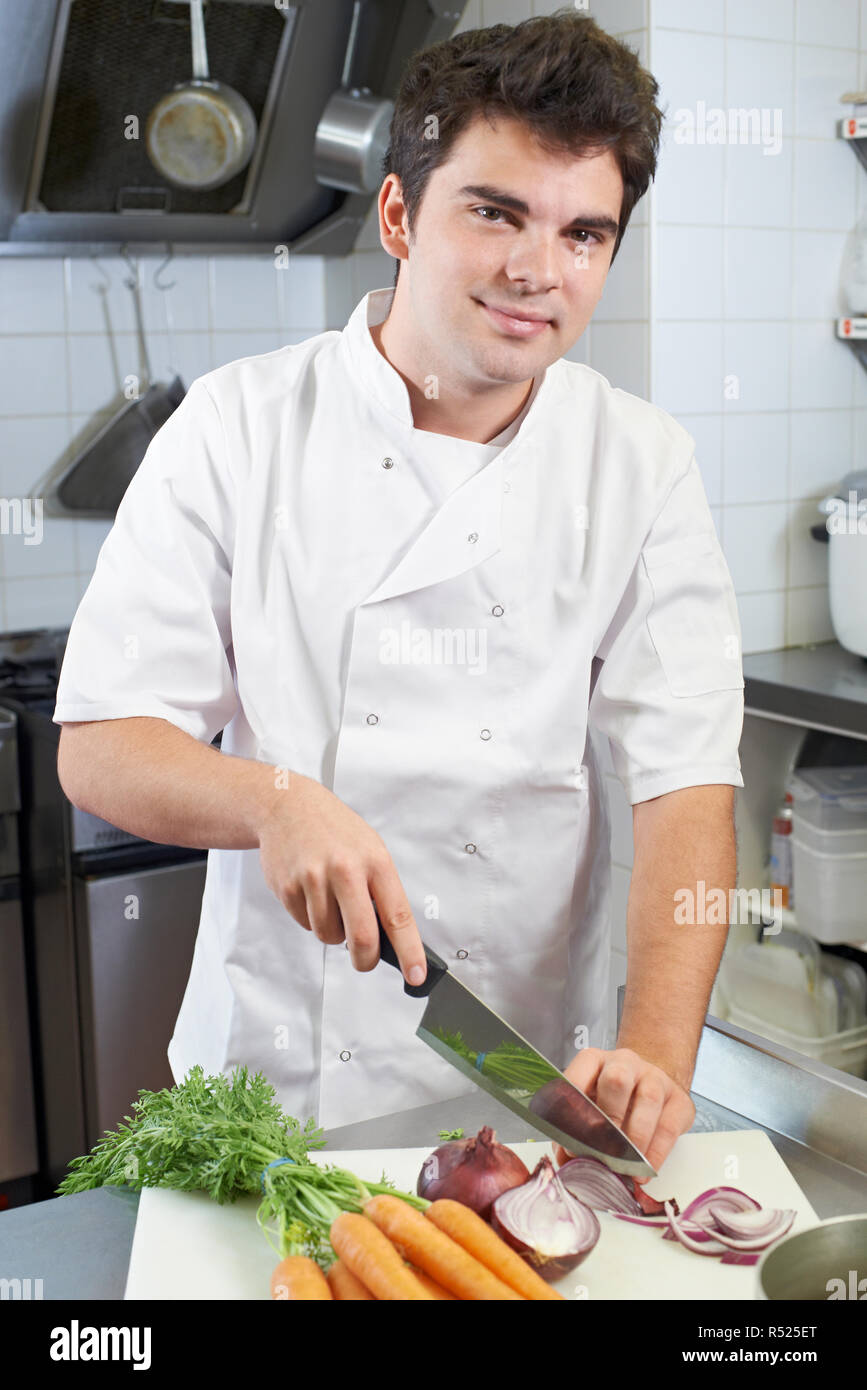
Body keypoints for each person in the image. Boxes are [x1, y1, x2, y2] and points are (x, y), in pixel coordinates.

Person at [54, 11, 744, 1176]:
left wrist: (655, 1055)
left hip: (522, 1090)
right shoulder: (237, 428)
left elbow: (685, 790)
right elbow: (102, 745)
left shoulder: (640, 465)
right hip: (269, 1096)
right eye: (495, 212)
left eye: (585, 233)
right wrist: (273, 800)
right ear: (396, 217)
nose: (539, 270)